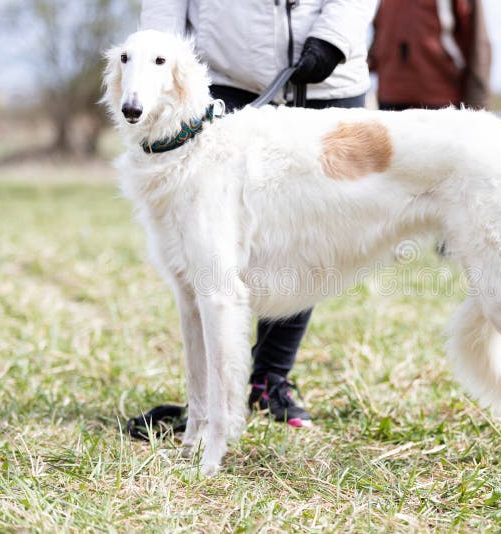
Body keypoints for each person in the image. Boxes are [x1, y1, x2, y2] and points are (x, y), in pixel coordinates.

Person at [139, 0, 377, 428]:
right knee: (211, 252)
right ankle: (210, 400)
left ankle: (270, 378)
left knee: (308, 240)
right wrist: (155, 73)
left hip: (328, 81)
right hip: (227, 79)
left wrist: (334, 38)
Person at [369, 0, 492, 111]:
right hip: (390, 100)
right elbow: (380, 35)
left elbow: (479, 44)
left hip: (440, 102)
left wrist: (477, 108)